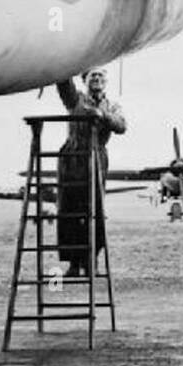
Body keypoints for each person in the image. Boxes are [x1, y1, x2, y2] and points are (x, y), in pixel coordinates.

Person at [54, 67, 126, 277]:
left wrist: (102, 115)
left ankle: (91, 258)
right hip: (72, 159)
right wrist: (67, 60)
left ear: (105, 81)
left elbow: (122, 125)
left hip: (96, 159)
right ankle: (74, 263)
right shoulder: (75, 100)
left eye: (100, 76)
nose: (96, 79)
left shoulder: (112, 106)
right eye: (92, 75)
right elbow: (63, 82)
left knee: (94, 210)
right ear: (85, 80)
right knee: (69, 211)